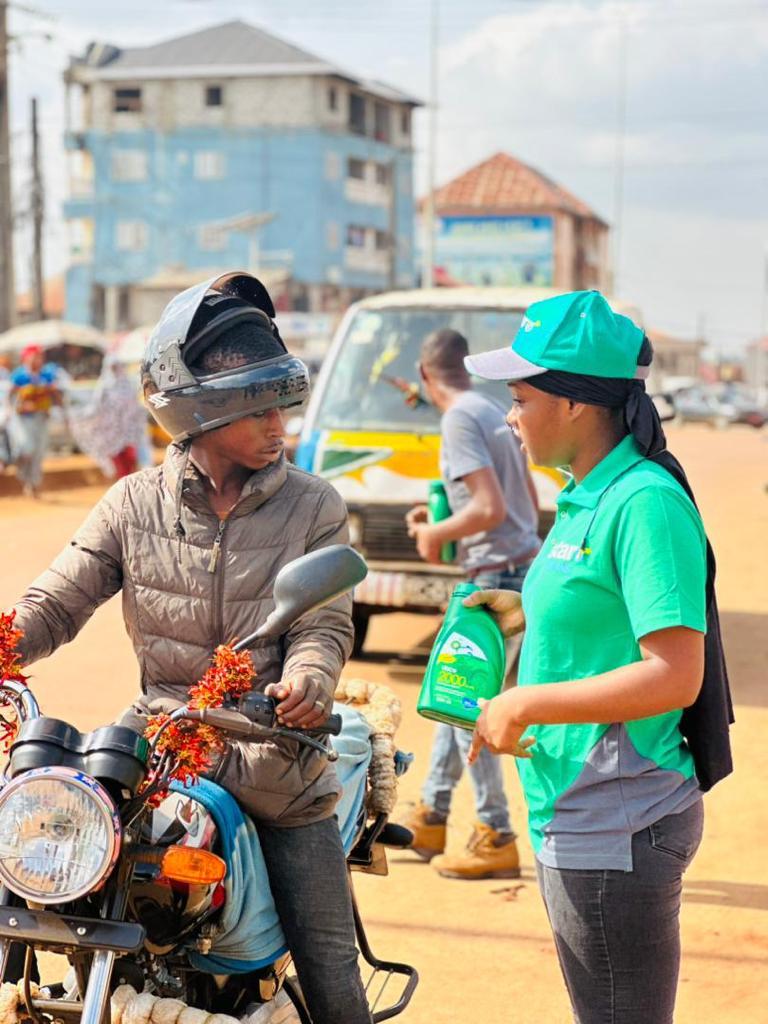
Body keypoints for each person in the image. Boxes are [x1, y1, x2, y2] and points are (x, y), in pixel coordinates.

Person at [9, 273, 373, 1024]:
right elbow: (57, 600)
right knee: (34, 879)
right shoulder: (132, 503)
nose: (279, 424)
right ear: (201, 412)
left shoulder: (314, 505)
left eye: (281, 404)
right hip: (154, 754)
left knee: (333, 977)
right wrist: (6, 642)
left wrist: (309, 682)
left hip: (275, 759)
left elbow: (322, 627)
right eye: (259, 407)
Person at [462, 290, 732, 1024]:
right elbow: (604, 611)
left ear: (575, 403)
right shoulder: (587, 492)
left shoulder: (643, 502)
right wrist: (521, 613)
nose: (509, 417)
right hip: (579, 808)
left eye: (520, 399)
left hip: (619, 822)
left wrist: (526, 702)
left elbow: (675, 672)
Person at [401, 328, 541, 880]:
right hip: (519, 565)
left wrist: (434, 534)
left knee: (465, 701)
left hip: (494, 578)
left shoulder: (459, 418)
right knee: (454, 692)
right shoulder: (489, 409)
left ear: (424, 374)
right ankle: (432, 814)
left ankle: (495, 832)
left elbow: (487, 508)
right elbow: (523, 497)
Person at [69, 354, 147, 478]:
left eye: (116, 366)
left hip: (128, 431)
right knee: (119, 463)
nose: (114, 370)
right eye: (112, 367)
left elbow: (135, 406)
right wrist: (81, 417)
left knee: (131, 458)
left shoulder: (128, 386)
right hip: (111, 433)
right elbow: (96, 406)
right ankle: (124, 486)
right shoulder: (103, 387)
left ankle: (133, 483)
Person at [6, 344, 62, 497]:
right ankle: (18, 466)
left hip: (41, 418)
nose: (37, 360)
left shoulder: (47, 375)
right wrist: (13, 409)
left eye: (39, 357)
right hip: (23, 419)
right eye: (34, 357)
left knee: (38, 452)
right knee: (27, 448)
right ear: (26, 359)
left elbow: (56, 395)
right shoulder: (19, 376)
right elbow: (9, 396)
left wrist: (58, 407)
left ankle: (33, 484)